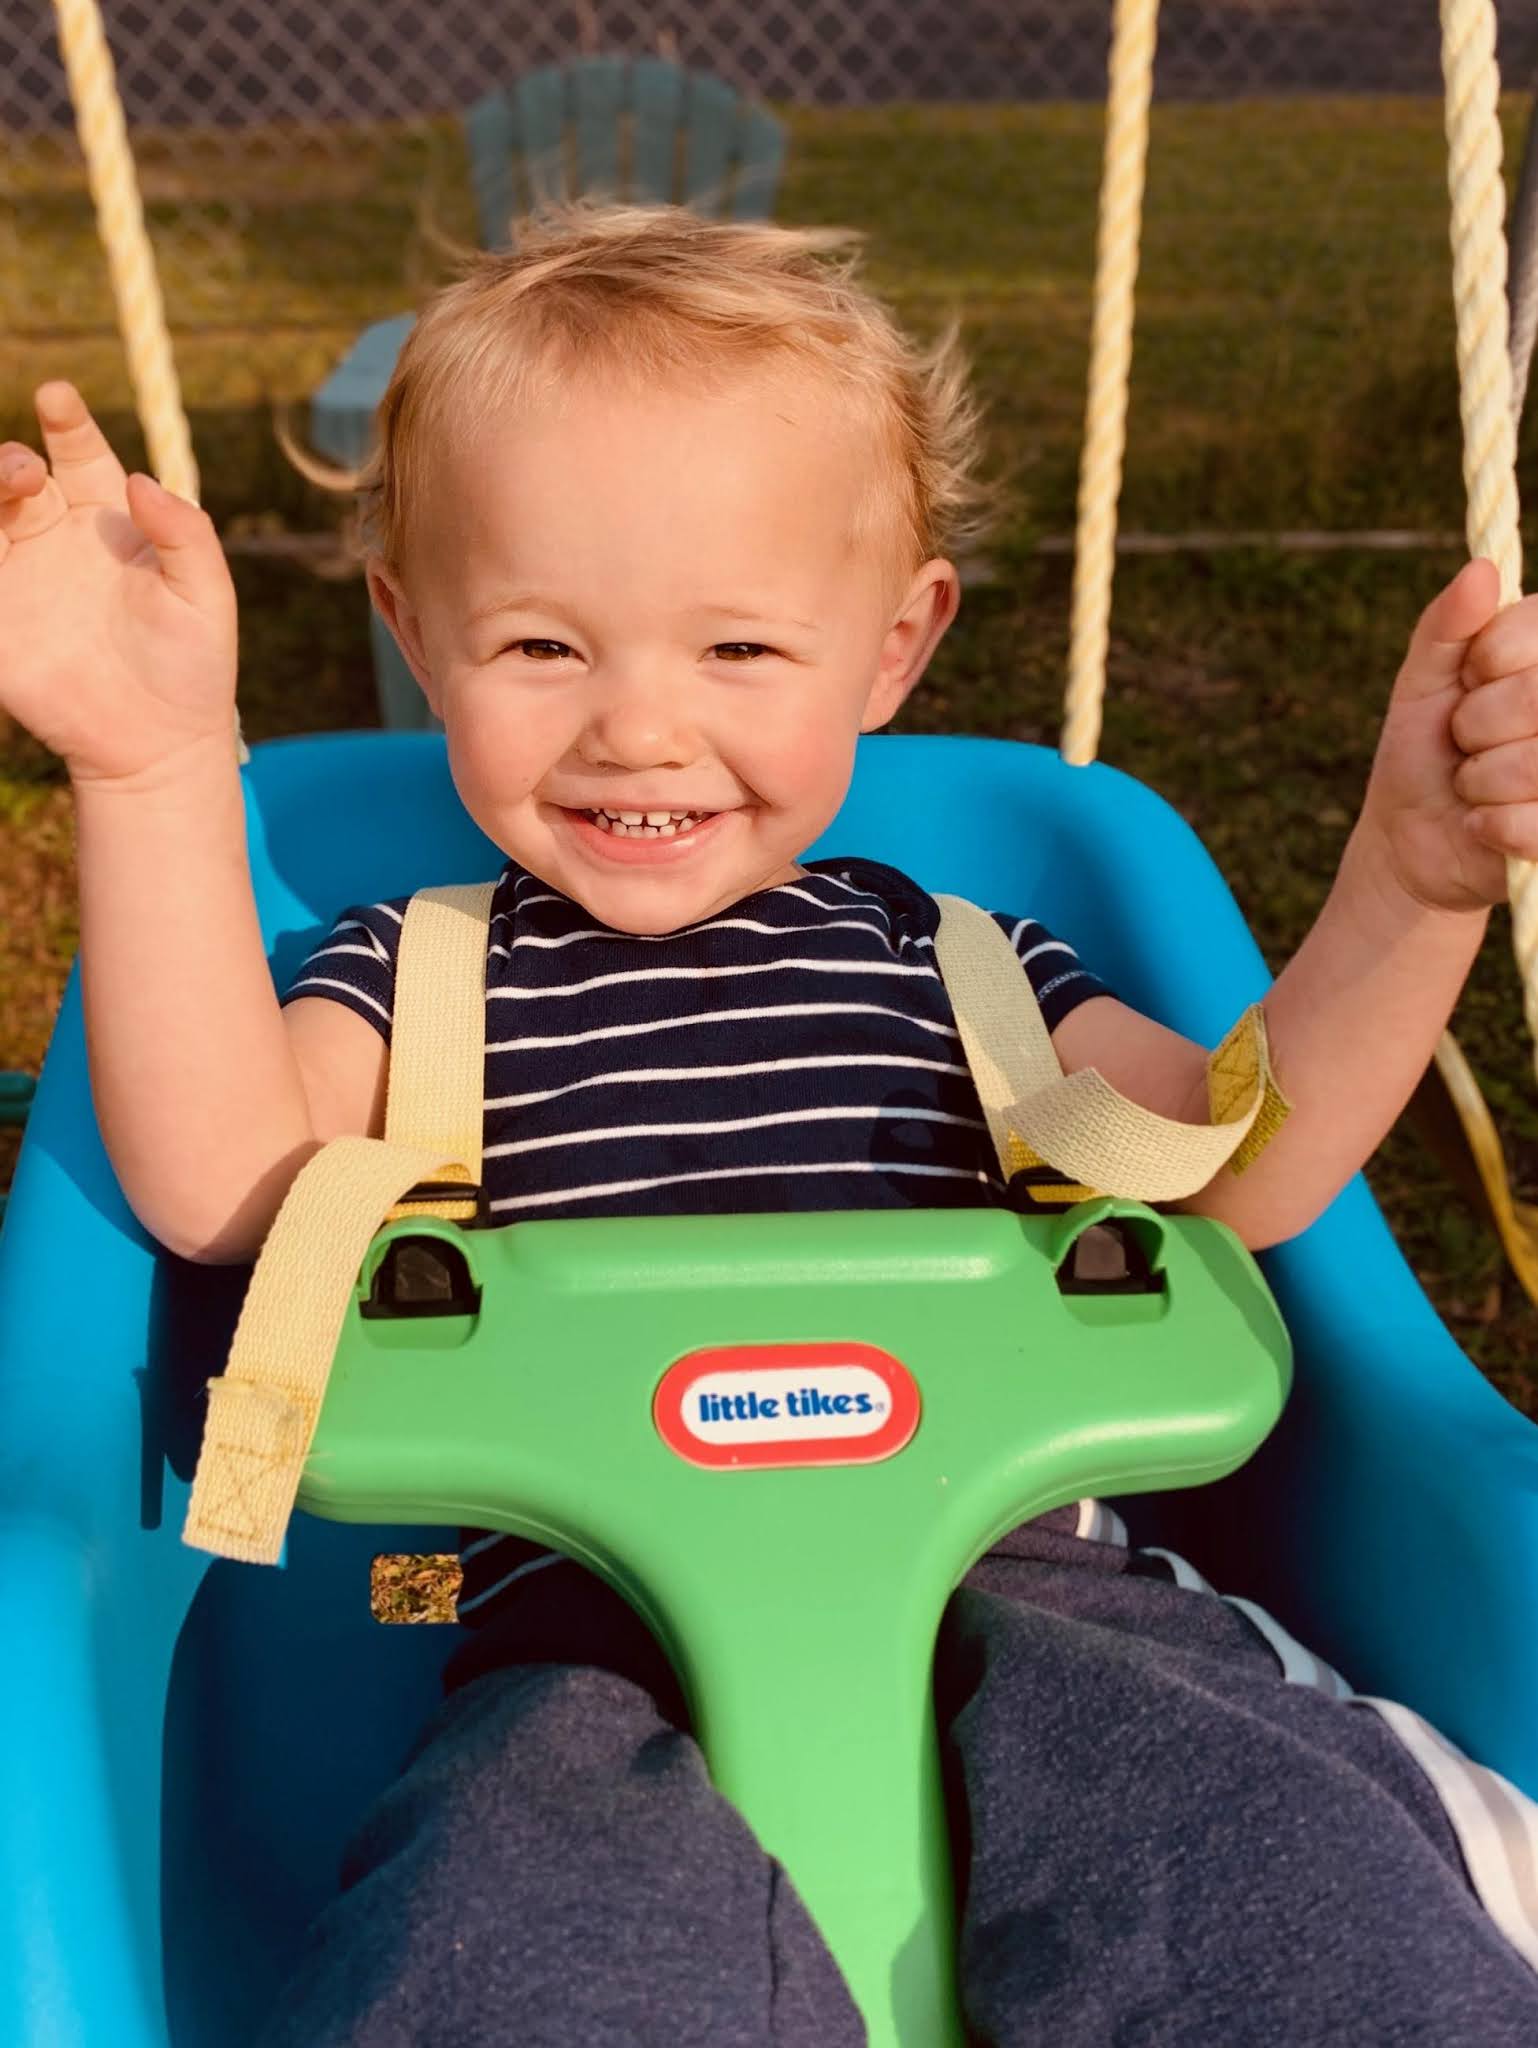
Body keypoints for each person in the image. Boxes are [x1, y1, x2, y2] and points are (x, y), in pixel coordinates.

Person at [3, 198, 1538, 2046]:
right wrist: (155, 765)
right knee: (524, 1946)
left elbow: (1241, 1163)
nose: (639, 732)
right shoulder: (422, 981)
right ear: (413, 635)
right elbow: (221, 1188)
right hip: (580, 1637)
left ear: (892, 652)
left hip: (1044, 1589)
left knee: (1277, 1885)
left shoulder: (960, 968)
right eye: (542, 650)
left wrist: (1411, 885)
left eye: (738, 654)